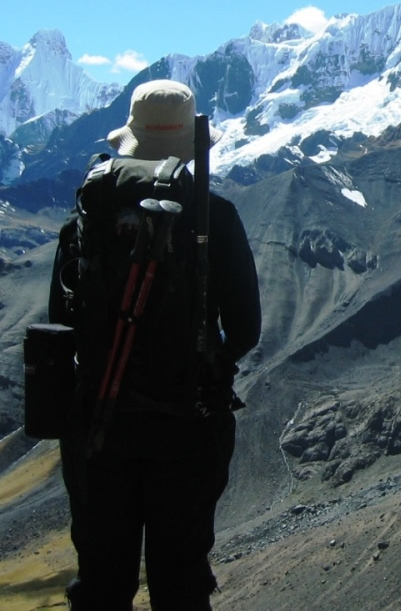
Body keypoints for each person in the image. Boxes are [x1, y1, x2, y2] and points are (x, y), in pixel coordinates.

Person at [48, 79, 261, 610]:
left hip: (99, 429)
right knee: (181, 581)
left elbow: (61, 319)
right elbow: (246, 330)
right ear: (190, 144)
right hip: (187, 431)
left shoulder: (87, 216)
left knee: (101, 583)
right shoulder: (216, 216)